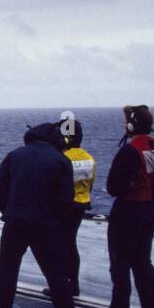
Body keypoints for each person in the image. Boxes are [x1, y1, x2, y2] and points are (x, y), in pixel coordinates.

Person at [0, 122, 81, 308]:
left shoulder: (15, 155)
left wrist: (9, 210)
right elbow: (67, 198)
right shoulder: (61, 160)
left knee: (7, 270)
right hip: (46, 225)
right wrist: (56, 219)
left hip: (15, 223)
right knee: (56, 274)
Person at [103, 105, 154, 308]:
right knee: (143, 263)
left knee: (120, 263)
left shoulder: (130, 150)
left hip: (127, 211)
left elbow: (113, 186)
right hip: (149, 210)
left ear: (131, 125)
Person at [57, 117, 95, 297]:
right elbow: (90, 184)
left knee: (59, 245)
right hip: (81, 205)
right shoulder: (89, 158)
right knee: (70, 243)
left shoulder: (62, 158)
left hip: (64, 206)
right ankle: (74, 283)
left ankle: (62, 286)